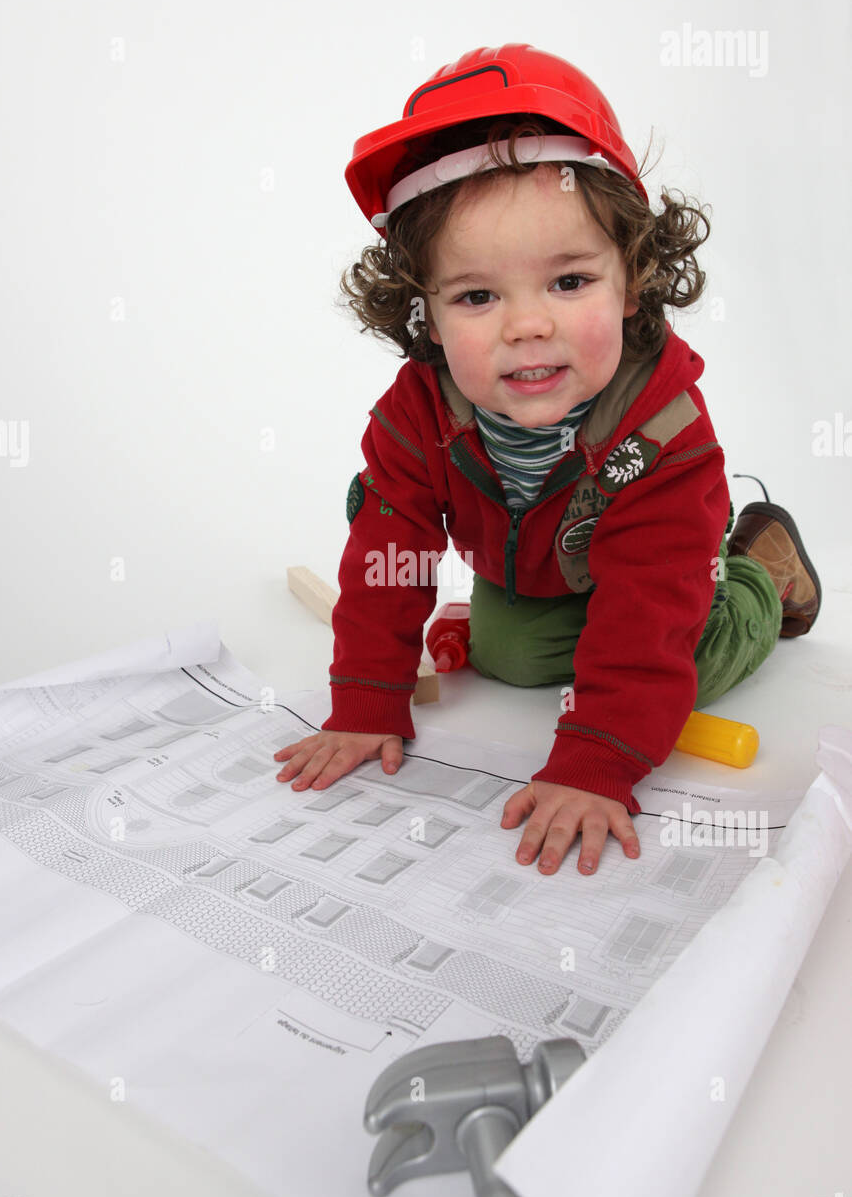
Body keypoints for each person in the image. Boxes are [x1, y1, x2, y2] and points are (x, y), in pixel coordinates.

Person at [274, 43, 821, 876]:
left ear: (631, 282)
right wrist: (366, 699)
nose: (527, 326)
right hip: (544, 570)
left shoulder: (663, 432)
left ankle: (759, 575)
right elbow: (390, 554)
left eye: (568, 282)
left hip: (666, 577)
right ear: (424, 311)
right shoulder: (416, 414)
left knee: (684, 668)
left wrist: (596, 758)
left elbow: (645, 607)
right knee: (512, 659)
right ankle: (584, 647)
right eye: (478, 296)